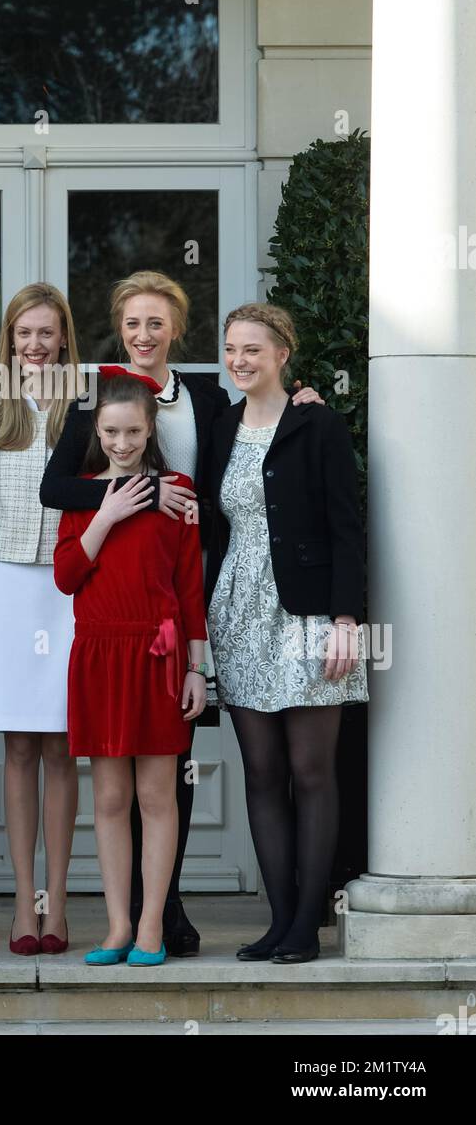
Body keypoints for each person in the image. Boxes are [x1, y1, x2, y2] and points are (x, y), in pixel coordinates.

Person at [40, 269, 322, 955]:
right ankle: (130, 915)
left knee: (170, 768)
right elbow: (56, 485)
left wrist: (302, 402)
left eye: (156, 323)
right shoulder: (99, 396)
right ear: (118, 327)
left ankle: (162, 912)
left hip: (190, 588)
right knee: (117, 782)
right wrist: (137, 492)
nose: (143, 335)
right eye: (132, 323)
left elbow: (257, 426)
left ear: (175, 330)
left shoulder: (204, 394)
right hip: (114, 588)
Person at [205, 303, 367, 965]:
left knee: (310, 770)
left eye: (252, 349)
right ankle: (277, 922)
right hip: (237, 612)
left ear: (281, 355)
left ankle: (308, 920)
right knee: (263, 773)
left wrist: (346, 619)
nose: (239, 359)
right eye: (230, 349)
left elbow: (346, 527)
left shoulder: (318, 423)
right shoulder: (220, 426)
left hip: (306, 616)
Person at [53, 372, 208, 966]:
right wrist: (105, 511)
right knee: (111, 798)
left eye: (134, 431)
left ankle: (150, 926)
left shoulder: (178, 492)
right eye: (111, 431)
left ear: (151, 430)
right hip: (97, 654)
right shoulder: (80, 493)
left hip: (158, 657)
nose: (122, 442)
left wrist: (197, 669)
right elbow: (67, 576)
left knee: (157, 796)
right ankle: (116, 926)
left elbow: (190, 588)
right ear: (97, 430)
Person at [0, 284, 81, 954]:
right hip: (6, 581)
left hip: (69, 585)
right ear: (8, 340)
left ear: (63, 337)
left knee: (63, 743)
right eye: (22, 333)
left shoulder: (85, 408)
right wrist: (7, 545)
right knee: (17, 745)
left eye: (46, 333)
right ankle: (21, 904)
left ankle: (57, 903)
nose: (33, 344)